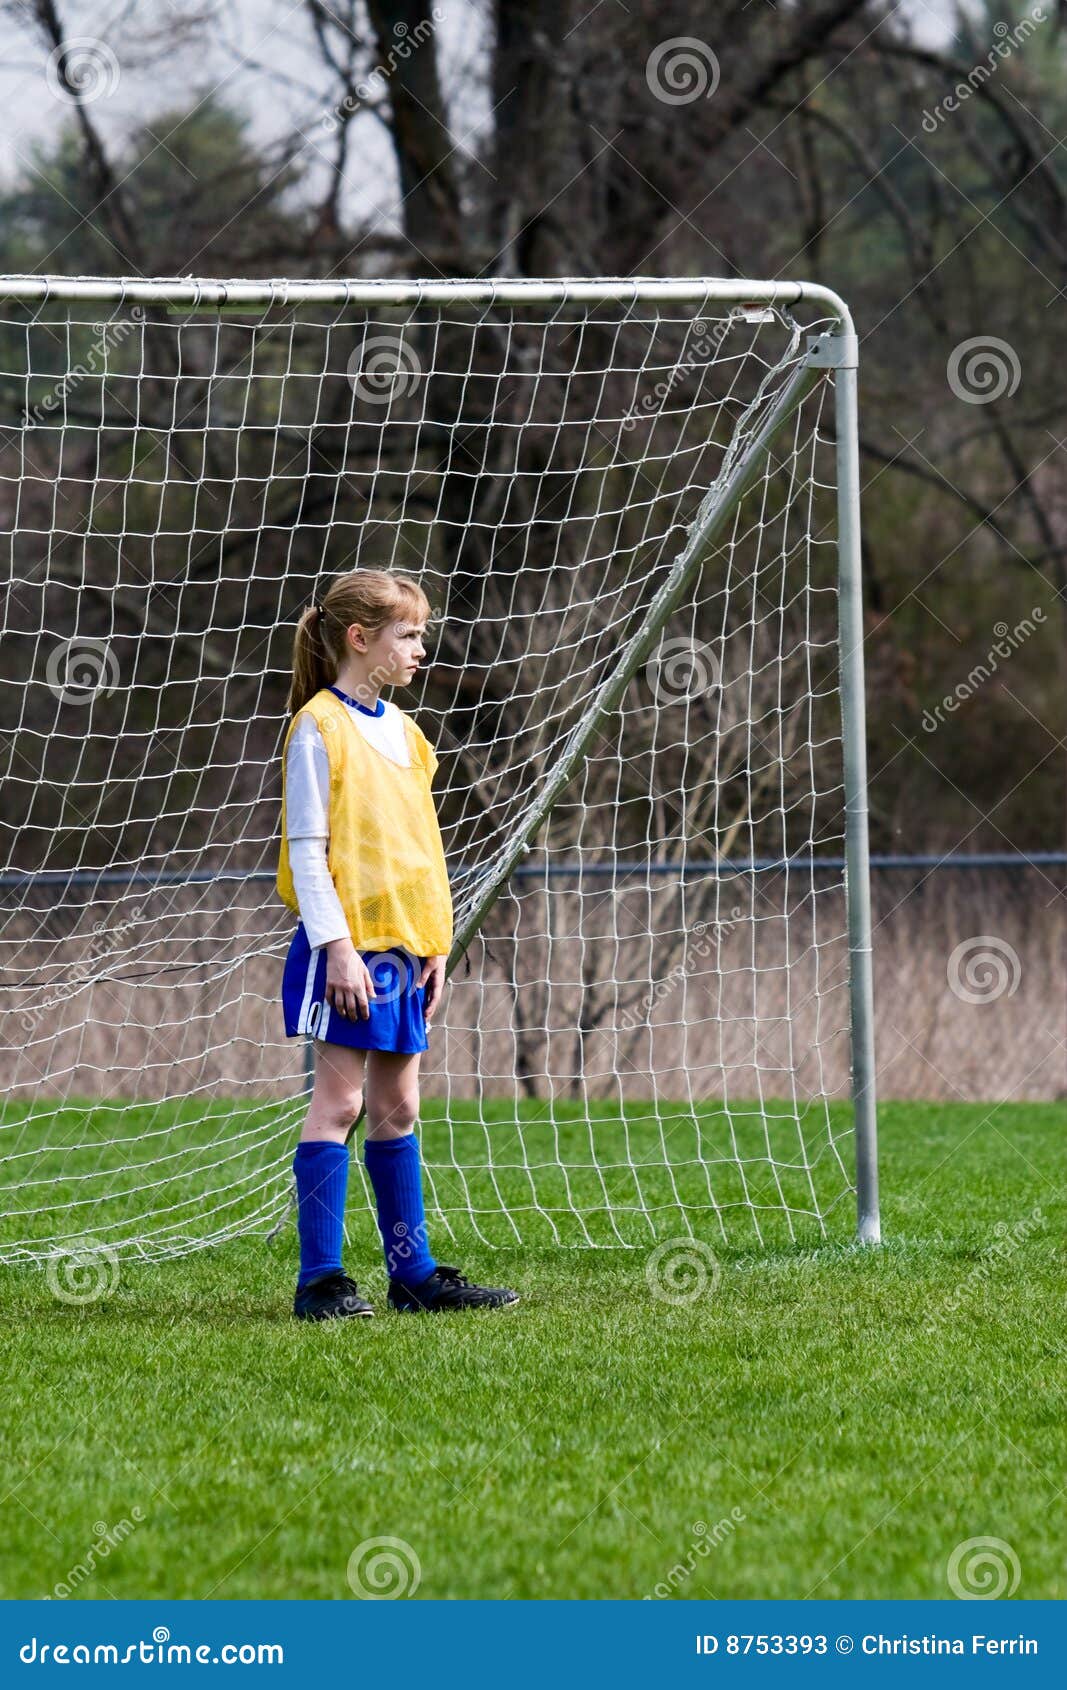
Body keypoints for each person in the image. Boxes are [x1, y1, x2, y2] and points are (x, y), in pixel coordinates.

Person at [276, 568, 519, 1321]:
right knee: (340, 1103)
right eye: (407, 635)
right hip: (344, 951)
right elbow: (308, 852)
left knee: (398, 1107)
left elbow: (421, 849)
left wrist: (433, 944)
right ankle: (320, 1282)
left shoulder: (408, 735)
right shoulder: (318, 726)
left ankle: (410, 1274)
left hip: (403, 952)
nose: (421, 649)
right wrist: (339, 949)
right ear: (360, 638)